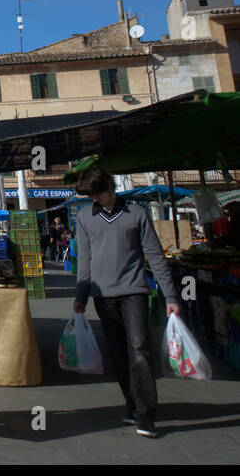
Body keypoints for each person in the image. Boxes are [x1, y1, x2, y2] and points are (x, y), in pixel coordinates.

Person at [74, 165, 181, 438]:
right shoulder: (84, 217)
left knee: (139, 349)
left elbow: (155, 256)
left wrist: (170, 296)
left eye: (96, 194)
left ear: (109, 187)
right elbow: (84, 260)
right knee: (118, 355)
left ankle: (146, 414)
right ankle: (132, 404)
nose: (92, 199)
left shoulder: (137, 213)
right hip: (102, 297)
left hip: (134, 292)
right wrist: (81, 297)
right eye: (89, 195)